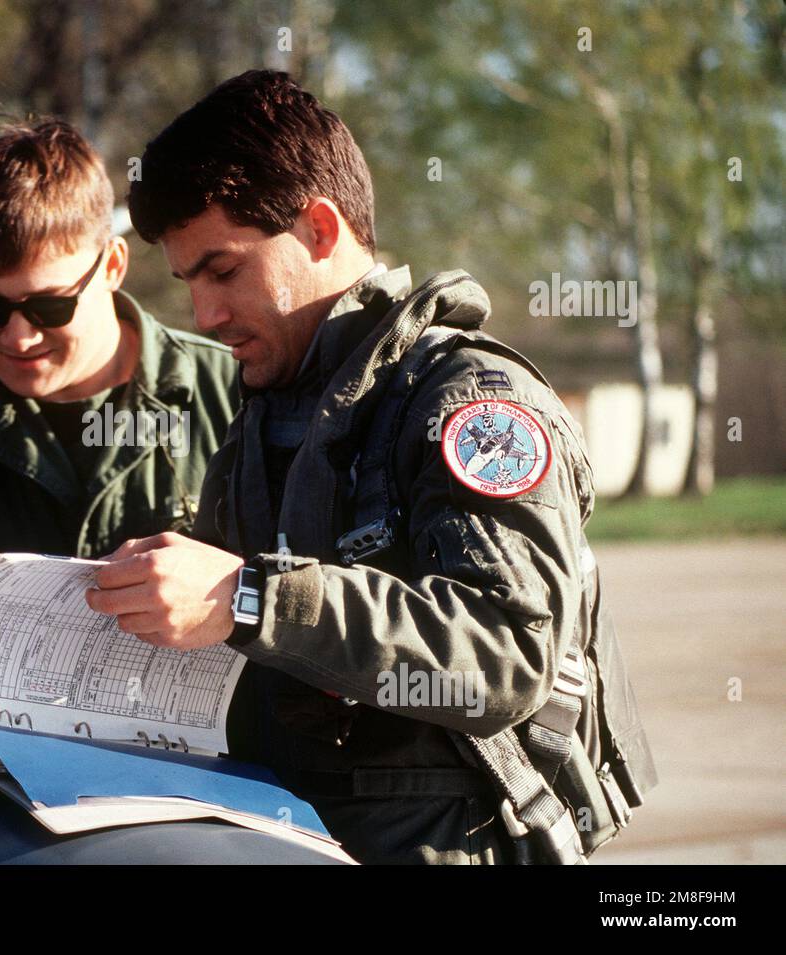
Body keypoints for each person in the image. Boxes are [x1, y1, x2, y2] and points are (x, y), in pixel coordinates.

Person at [90, 70, 656, 864]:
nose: (205, 317)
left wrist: (249, 599)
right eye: (189, 283)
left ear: (320, 230)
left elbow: (506, 651)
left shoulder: (472, 402)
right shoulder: (267, 412)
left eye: (223, 272)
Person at [0, 119, 238, 715]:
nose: (18, 336)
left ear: (111, 265)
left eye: (49, 304)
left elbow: (308, 630)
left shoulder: (235, 395)